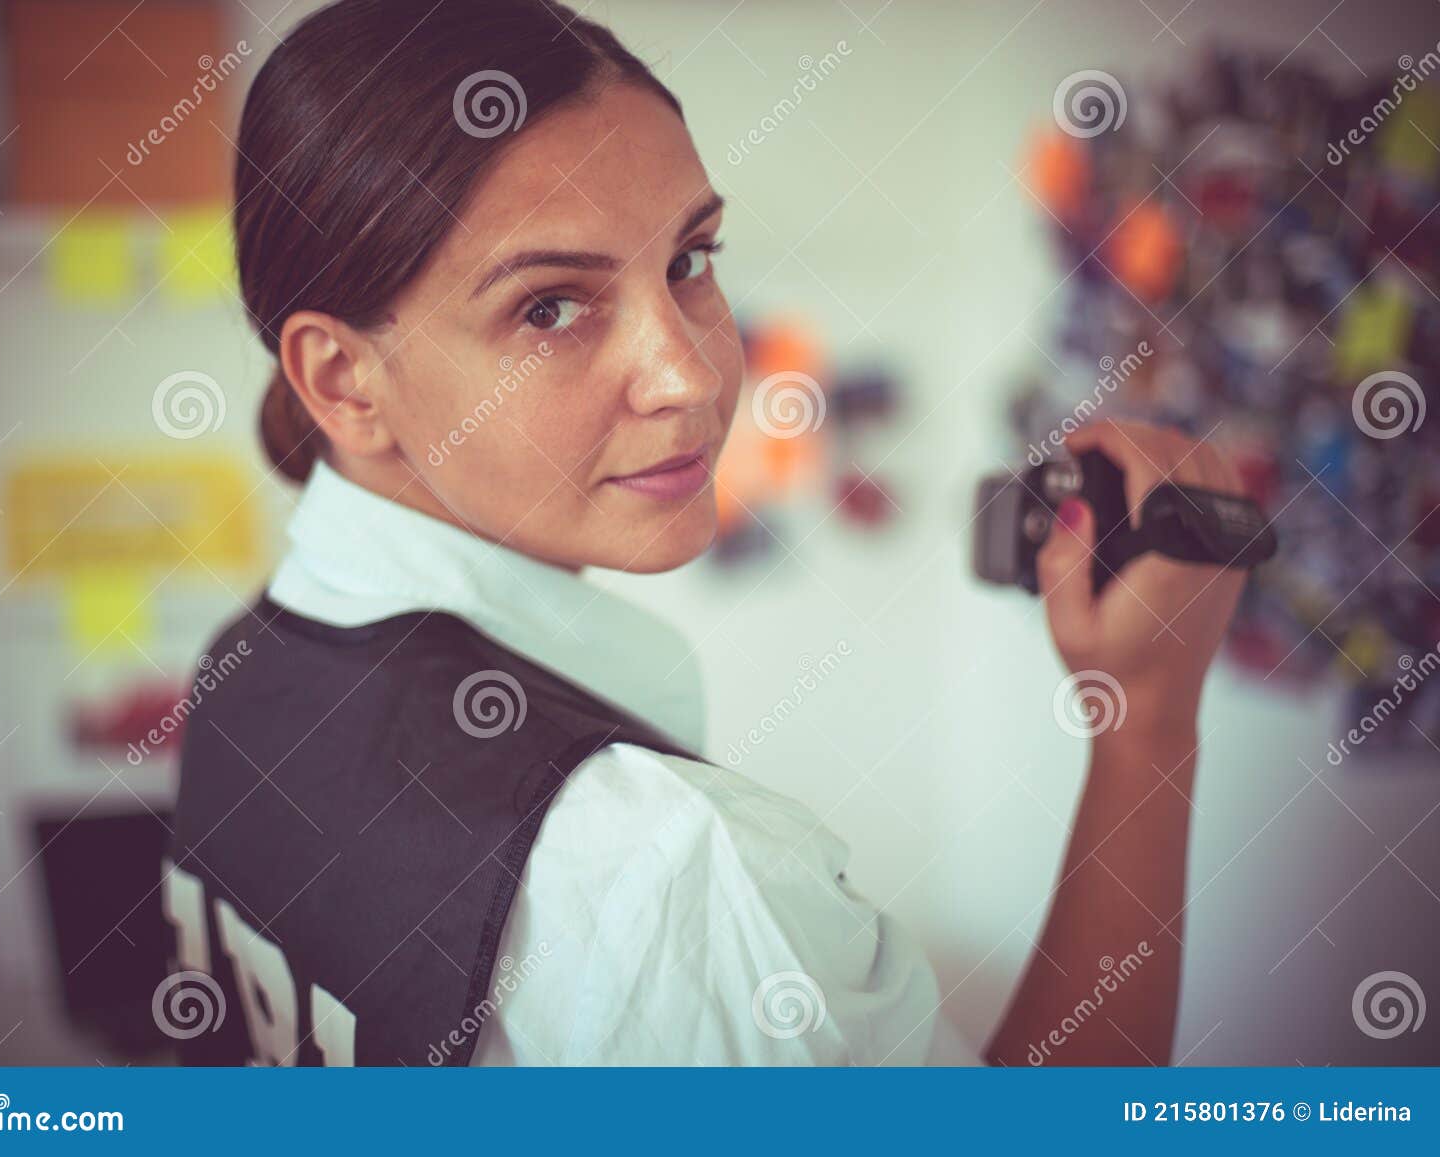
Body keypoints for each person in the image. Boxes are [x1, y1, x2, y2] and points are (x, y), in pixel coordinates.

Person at [163, 0, 1246, 1066]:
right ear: (344, 382)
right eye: (550, 306)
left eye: (688, 259)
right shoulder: (672, 870)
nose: (689, 371)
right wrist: (1146, 724)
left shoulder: (241, 679)